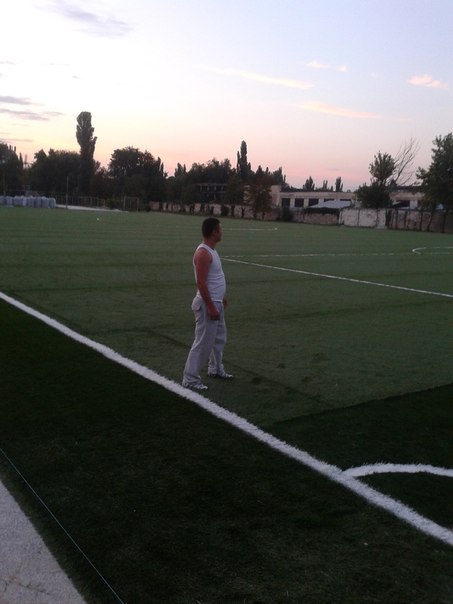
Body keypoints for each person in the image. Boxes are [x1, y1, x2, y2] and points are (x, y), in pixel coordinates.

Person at [182, 217, 233, 391]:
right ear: (213, 232)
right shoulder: (203, 253)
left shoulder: (212, 251)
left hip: (216, 303)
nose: (222, 231)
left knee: (219, 339)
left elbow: (213, 279)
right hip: (207, 305)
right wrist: (211, 306)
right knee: (203, 343)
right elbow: (201, 282)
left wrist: (220, 298)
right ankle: (190, 378)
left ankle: (215, 369)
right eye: (220, 229)